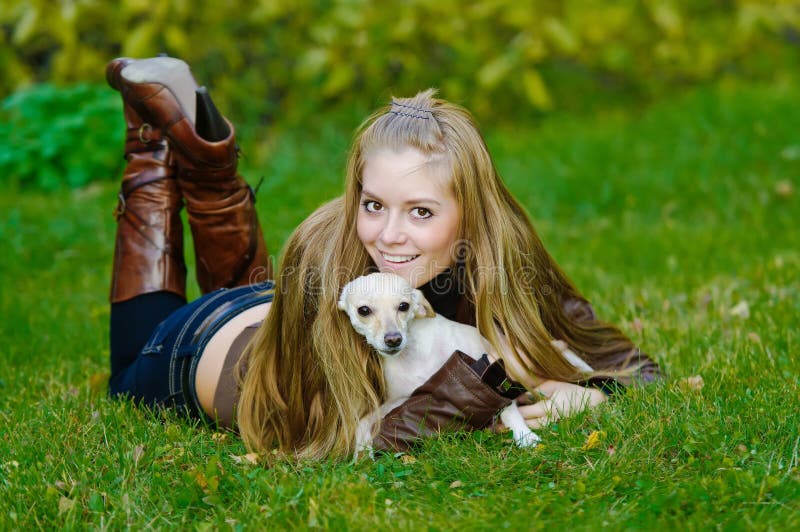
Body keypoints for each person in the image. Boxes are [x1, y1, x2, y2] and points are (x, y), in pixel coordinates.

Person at [107, 56, 662, 460]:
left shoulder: (502, 251)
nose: (389, 236)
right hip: (195, 349)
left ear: (471, 213)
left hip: (277, 308)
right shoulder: (325, 249)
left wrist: (590, 398)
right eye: (373, 205)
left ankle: (208, 165)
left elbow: (628, 365)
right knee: (122, 377)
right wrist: (495, 383)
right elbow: (340, 438)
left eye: (420, 212)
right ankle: (150, 146)